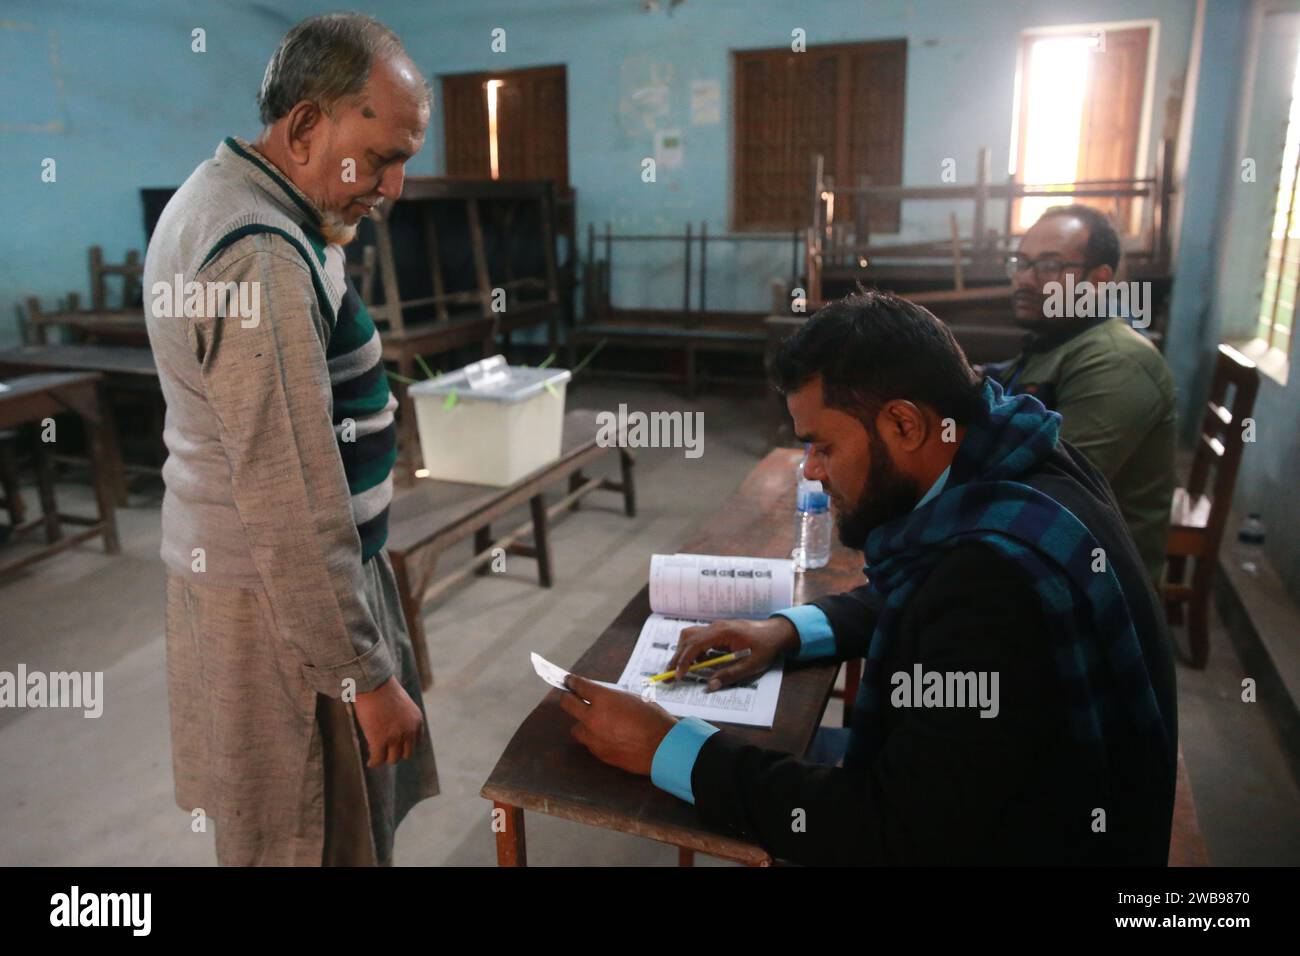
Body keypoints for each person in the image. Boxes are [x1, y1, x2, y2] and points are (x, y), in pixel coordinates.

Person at [563, 291, 1177, 865]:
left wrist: (670, 751)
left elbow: (892, 830)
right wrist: (785, 630)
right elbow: (917, 596)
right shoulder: (1014, 452)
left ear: (904, 425)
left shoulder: (989, 583)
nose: (811, 471)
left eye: (823, 447)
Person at [143, 13, 437, 866]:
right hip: (283, 612)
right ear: (307, 126)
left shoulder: (225, 195)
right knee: (311, 839)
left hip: (260, 591)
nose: (395, 188)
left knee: (282, 829)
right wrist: (365, 674)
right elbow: (290, 498)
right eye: (384, 157)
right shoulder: (259, 258)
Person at [989, 204, 1176, 585]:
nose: (1025, 279)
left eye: (1049, 266)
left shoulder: (1118, 360)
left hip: (1095, 589)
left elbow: (1050, 493)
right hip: (1038, 558)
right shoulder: (1053, 342)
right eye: (1021, 262)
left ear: (1097, 281)